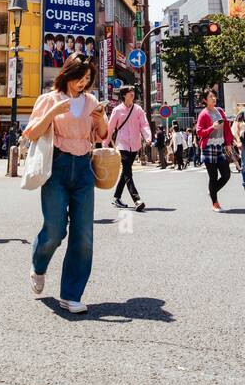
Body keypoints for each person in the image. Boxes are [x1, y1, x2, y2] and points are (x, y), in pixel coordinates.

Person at [25, 55, 108, 314]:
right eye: (78, 78)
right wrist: (51, 113)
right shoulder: (48, 99)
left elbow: (103, 135)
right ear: (67, 74)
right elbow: (30, 133)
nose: (82, 84)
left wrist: (102, 117)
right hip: (57, 168)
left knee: (83, 235)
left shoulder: (90, 101)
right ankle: (39, 266)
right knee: (54, 231)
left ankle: (71, 294)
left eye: (86, 80)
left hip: (83, 168)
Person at [105, 85, 151, 211]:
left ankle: (116, 197)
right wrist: (105, 144)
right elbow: (110, 128)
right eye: (130, 93)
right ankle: (137, 200)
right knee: (128, 172)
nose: (132, 94)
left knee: (126, 172)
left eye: (133, 92)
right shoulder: (117, 110)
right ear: (124, 95)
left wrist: (148, 137)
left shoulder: (138, 109)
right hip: (122, 145)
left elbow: (144, 125)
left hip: (135, 145)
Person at [195, 89, 234, 211]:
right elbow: (199, 132)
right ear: (205, 100)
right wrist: (212, 127)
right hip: (208, 147)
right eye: (211, 96)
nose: (214, 98)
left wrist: (228, 143)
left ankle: (212, 190)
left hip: (220, 146)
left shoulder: (220, 111)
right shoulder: (203, 114)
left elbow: (227, 128)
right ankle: (215, 203)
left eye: (214, 96)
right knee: (213, 176)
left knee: (226, 174)